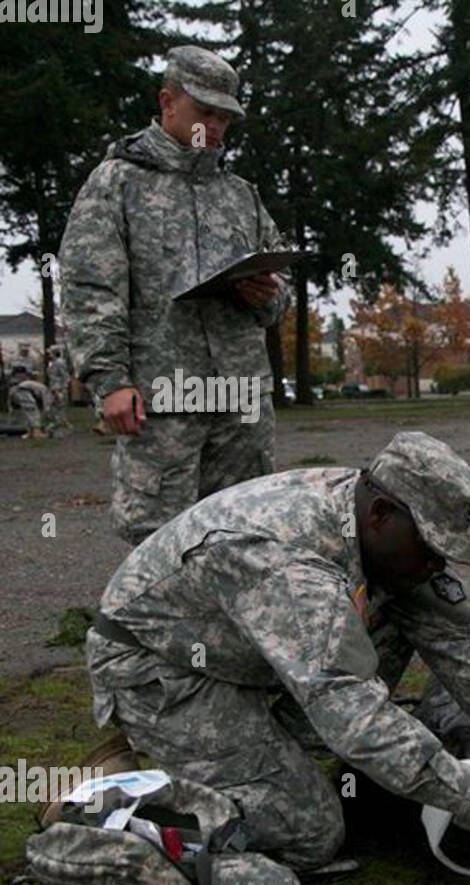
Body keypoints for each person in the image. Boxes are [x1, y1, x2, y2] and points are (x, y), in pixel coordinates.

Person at [83, 432, 470, 870]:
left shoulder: (375, 523)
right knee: (311, 832)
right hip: (164, 670)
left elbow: (462, 644)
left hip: (242, 652)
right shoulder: (289, 563)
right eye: (429, 546)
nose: (436, 563)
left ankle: (250, 760)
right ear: (383, 514)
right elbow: (351, 710)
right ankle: (116, 808)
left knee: (407, 612)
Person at [59, 45, 290, 544]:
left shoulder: (239, 195)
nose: (217, 126)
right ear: (167, 102)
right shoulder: (118, 183)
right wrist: (110, 380)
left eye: (225, 116)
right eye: (204, 112)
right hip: (164, 394)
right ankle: (154, 625)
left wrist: (265, 294)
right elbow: (89, 287)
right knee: (159, 539)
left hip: (240, 396)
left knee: (243, 530)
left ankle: (232, 624)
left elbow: (277, 294)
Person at [8, 368, 50, 439]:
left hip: (14, 390)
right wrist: (46, 411)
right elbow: (46, 402)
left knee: (27, 412)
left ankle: (30, 432)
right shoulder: (44, 389)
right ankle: (37, 432)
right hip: (21, 390)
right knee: (32, 411)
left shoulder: (32, 384)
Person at [44, 347, 71, 436]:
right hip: (52, 387)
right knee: (50, 407)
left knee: (59, 406)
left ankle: (60, 426)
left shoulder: (60, 363)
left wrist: (62, 389)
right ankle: (56, 423)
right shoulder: (51, 363)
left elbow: (65, 376)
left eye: (50, 353)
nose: (48, 355)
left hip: (59, 387)